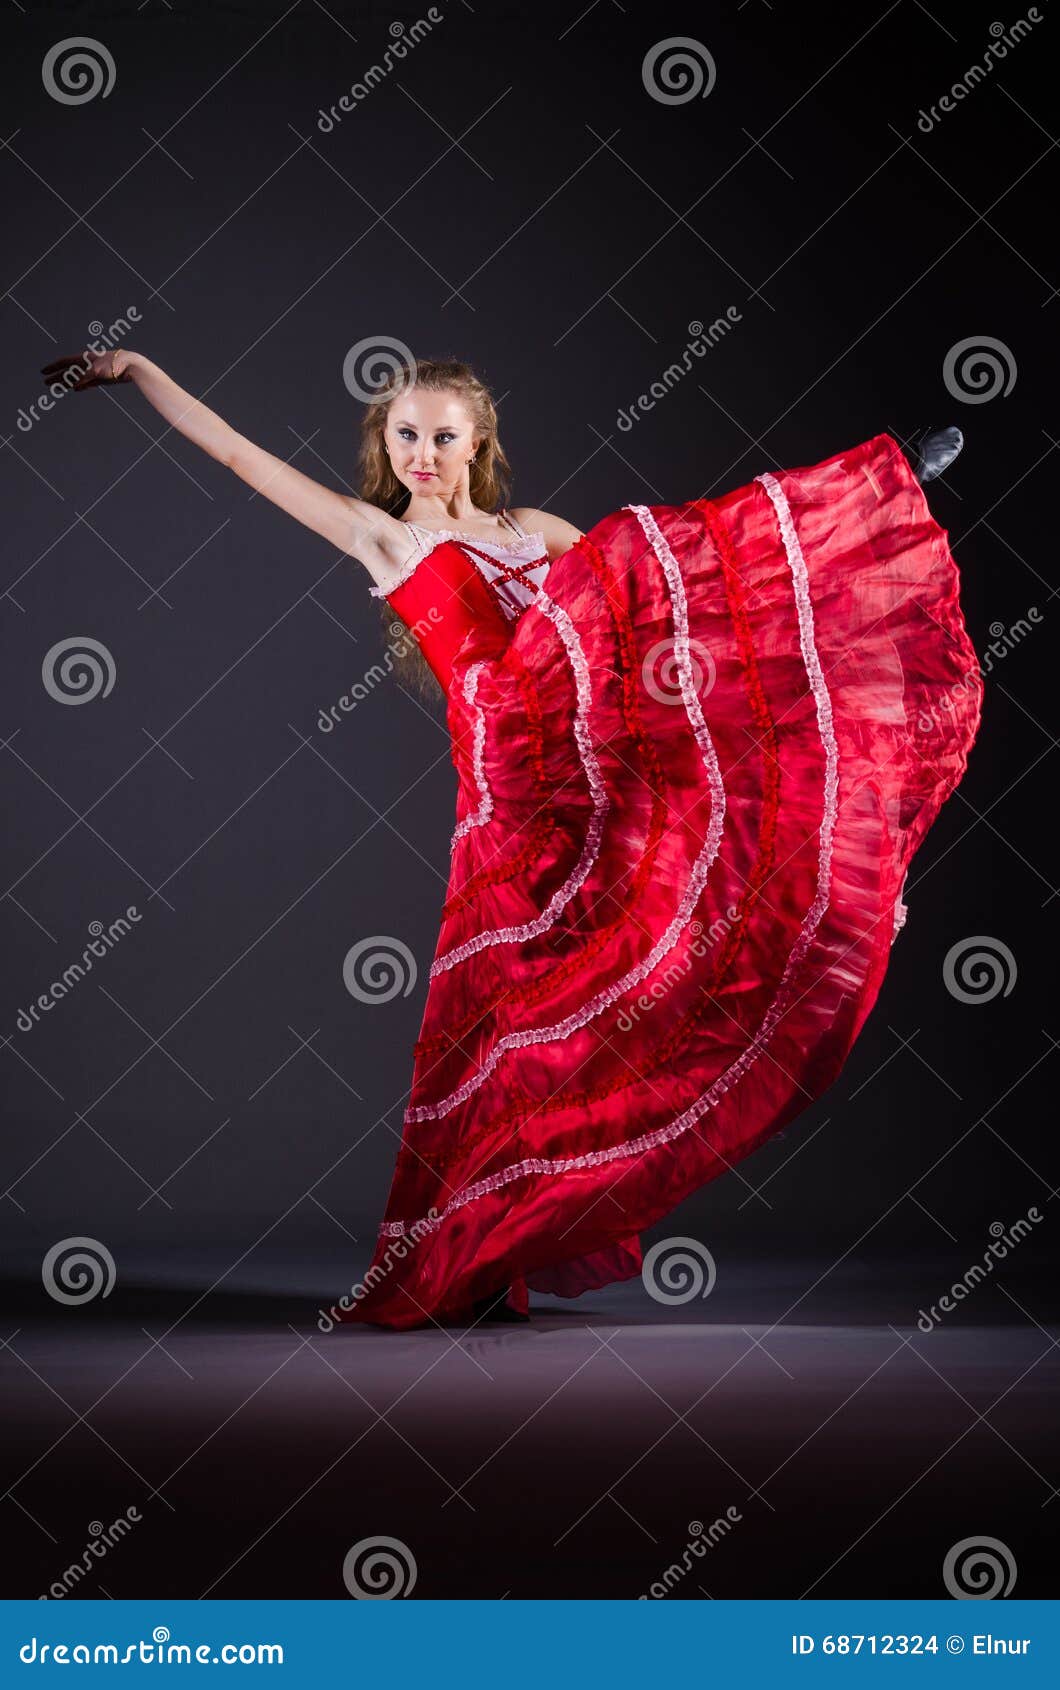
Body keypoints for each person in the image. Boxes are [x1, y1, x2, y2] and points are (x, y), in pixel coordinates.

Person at [40, 347, 982, 1330]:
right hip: (512, 792)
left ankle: (862, 510)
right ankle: (474, 1249)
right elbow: (237, 455)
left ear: (476, 442)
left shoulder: (531, 532)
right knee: (506, 1029)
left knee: (643, 574)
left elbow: (659, 616)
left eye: (444, 437)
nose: (424, 456)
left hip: (597, 764)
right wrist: (145, 369)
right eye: (406, 435)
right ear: (386, 443)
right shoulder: (381, 540)